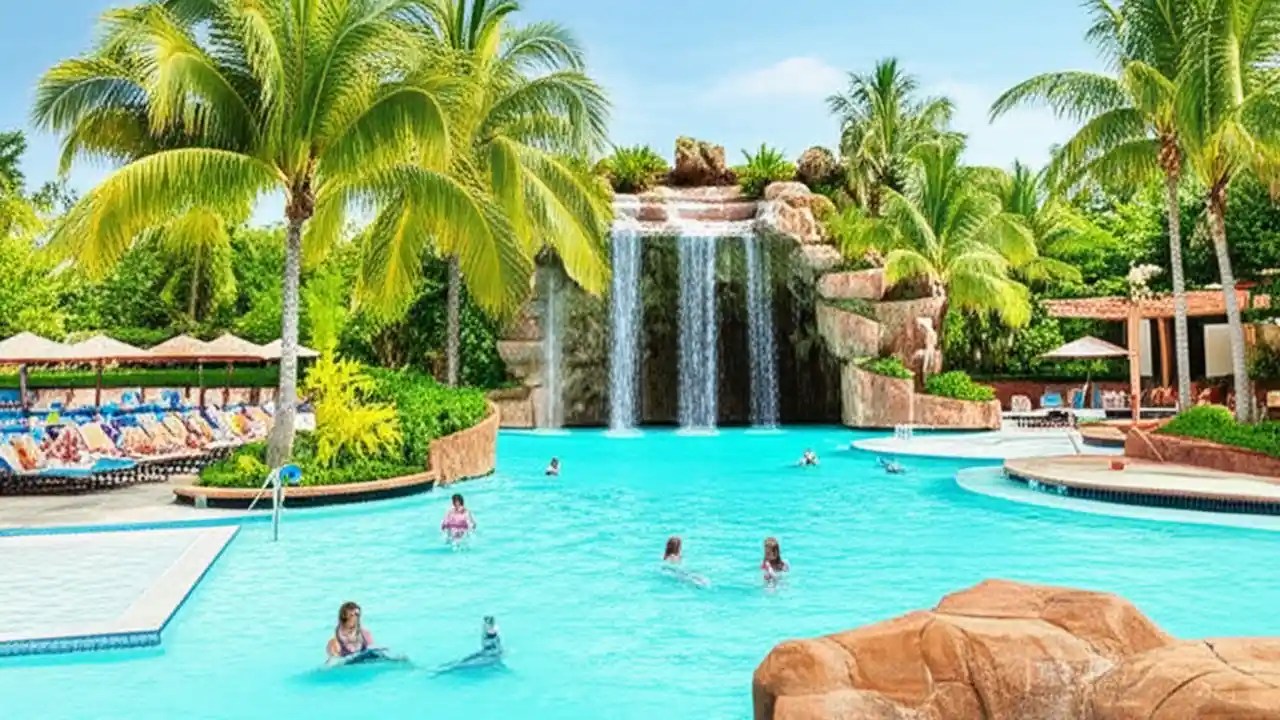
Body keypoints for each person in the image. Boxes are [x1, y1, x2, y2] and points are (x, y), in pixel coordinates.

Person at [434, 616, 504, 673]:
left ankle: (443, 670)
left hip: (490, 655)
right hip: (486, 652)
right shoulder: (492, 631)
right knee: (463, 661)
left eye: (485, 624)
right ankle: (444, 668)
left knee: (462, 664)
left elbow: (492, 643)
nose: (483, 625)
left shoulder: (491, 632)